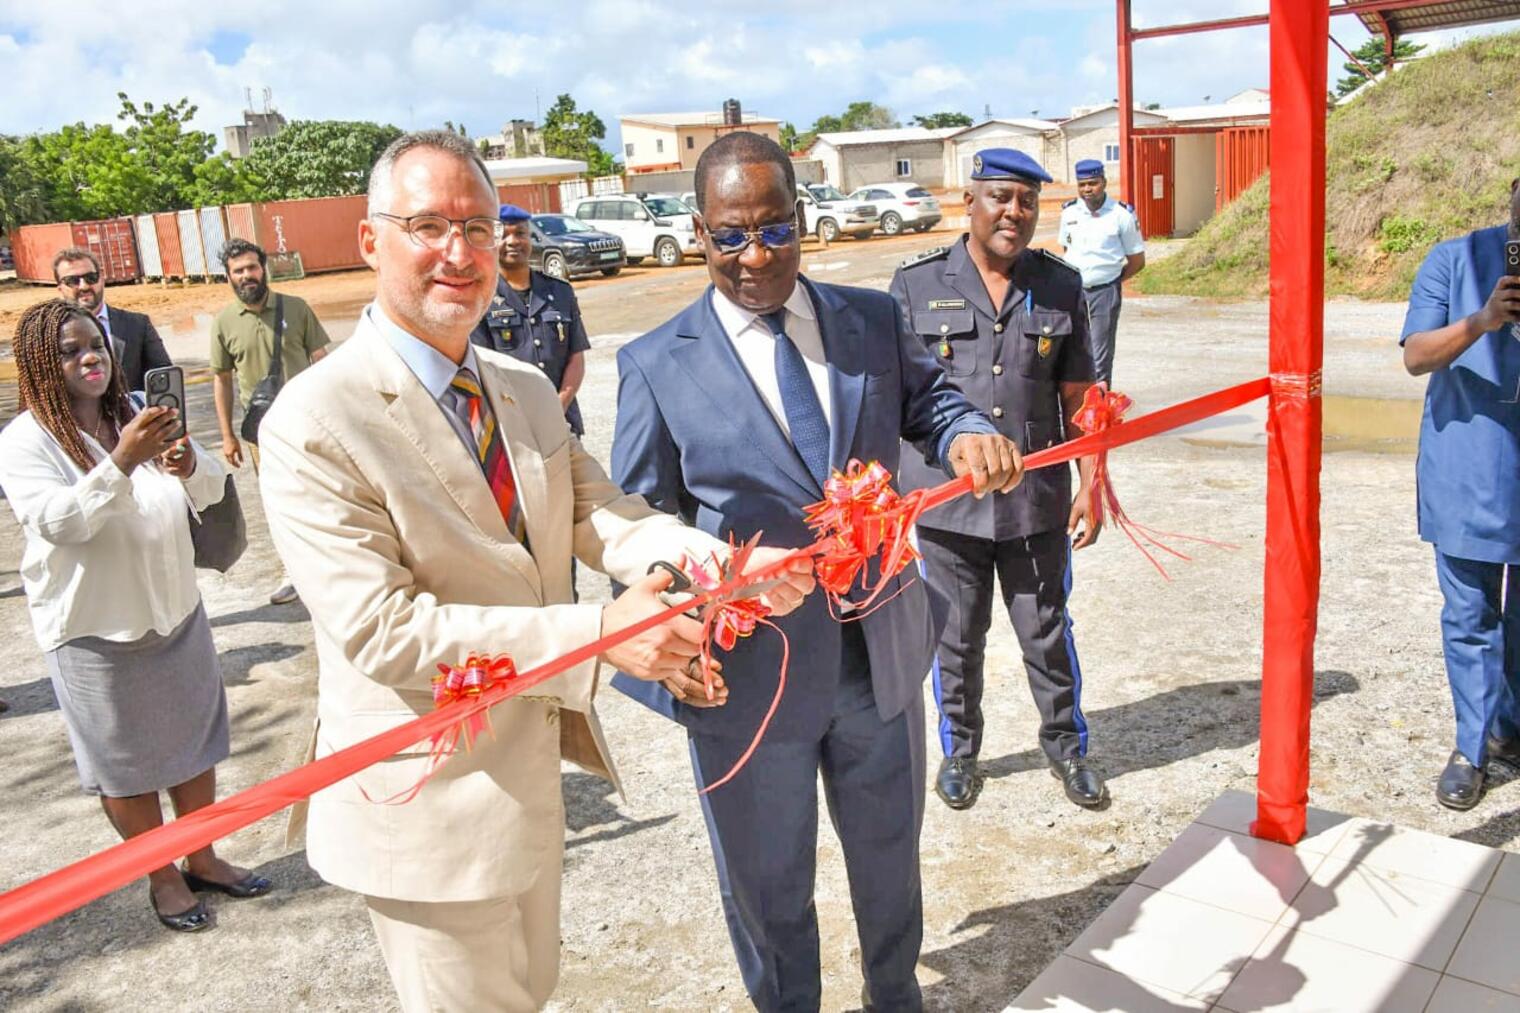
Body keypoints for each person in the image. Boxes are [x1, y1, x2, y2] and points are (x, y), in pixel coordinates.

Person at [256, 130, 812, 1013]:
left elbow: (607, 515)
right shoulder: (316, 419)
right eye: (428, 225)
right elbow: (384, 630)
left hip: (525, 784)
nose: (459, 252)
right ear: (370, 240)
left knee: (534, 989)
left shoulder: (519, 387)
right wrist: (603, 635)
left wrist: (732, 570)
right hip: (426, 808)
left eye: (478, 227)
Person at [611, 130, 1022, 1012]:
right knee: (769, 891)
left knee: (890, 864)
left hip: (879, 661)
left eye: (774, 229)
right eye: (731, 235)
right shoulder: (654, 364)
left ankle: (893, 994)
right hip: (749, 685)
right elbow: (636, 526)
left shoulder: (870, 319)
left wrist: (966, 431)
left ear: (802, 219)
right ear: (699, 231)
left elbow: (932, 401)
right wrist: (670, 637)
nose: (756, 255)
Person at [0, 299, 273, 934]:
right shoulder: (24, 442)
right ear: (39, 364)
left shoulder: (137, 413)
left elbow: (210, 490)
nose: (89, 357)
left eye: (95, 344)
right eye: (69, 351)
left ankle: (202, 856)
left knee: (193, 744)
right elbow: (58, 522)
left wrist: (188, 463)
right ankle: (161, 876)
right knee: (124, 765)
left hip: (174, 610)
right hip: (96, 628)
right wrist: (121, 460)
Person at [892, 148, 1106, 815]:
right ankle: (960, 752)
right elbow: (890, 398)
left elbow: (1082, 397)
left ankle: (1067, 746)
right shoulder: (915, 285)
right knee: (955, 638)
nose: (1014, 212)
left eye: (1027, 201)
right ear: (969, 202)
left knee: (1047, 631)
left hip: (1033, 503)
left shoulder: (1060, 285)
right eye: (1001, 198)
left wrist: (1092, 483)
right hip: (947, 505)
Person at [1400, 176, 1520, 811]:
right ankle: (1471, 750)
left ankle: (1509, 729)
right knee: (1471, 617)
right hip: (1468, 469)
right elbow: (1417, 356)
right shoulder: (1455, 259)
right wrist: (1483, 320)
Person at [208, 237, 331, 605]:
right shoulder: (224, 323)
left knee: (324, 492)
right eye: (238, 270)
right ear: (228, 277)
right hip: (262, 432)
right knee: (280, 501)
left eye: (252, 267)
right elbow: (222, 380)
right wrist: (227, 435)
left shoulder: (296, 308)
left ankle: (331, 565)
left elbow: (322, 362)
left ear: (263, 269)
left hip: (308, 423)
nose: (247, 275)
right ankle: (293, 572)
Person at [470, 204, 589, 437]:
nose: (513, 241)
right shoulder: (480, 298)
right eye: (504, 235)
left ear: (530, 238)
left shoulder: (560, 291)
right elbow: (481, 367)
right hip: (511, 428)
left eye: (520, 233)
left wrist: (558, 405)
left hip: (562, 420)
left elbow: (576, 357)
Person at [1057, 159, 1145, 384]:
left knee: (1099, 356)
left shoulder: (1121, 215)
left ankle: (1099, 403)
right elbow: (1068, 250)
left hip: (1104, 292)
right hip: (1073, 292)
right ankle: (1076, 402)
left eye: (1093, 183)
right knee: (1071, 350)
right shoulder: (1069, 213)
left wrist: (1112, 281)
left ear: (1104, 183)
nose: (1087, 189)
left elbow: (1137, 261)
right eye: (1082, 184)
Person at [53, 247, 172, 392]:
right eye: (72, 281)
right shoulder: (51, 335)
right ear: (60, 289)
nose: (84, 286)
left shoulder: (137, 325)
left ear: (102, 279)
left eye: (91, 277)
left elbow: (165, 380)